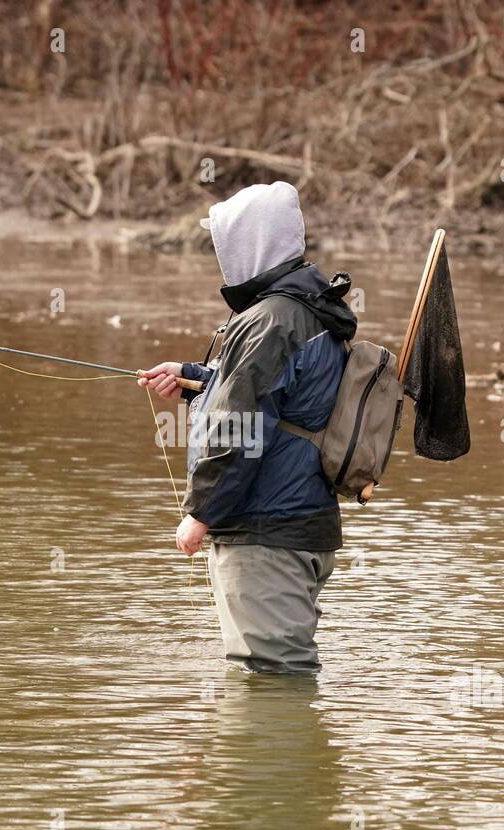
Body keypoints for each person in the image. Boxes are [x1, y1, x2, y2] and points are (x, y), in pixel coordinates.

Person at [139, 181, 357, 674]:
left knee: (273, 677)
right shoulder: (307, 308)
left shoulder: (271, 319)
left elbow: (241, 425)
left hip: (266, 533)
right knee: (276, 673)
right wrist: (195, 378)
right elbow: (283, 397)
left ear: (249, 244)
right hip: (298, 524)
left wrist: (201, 512)